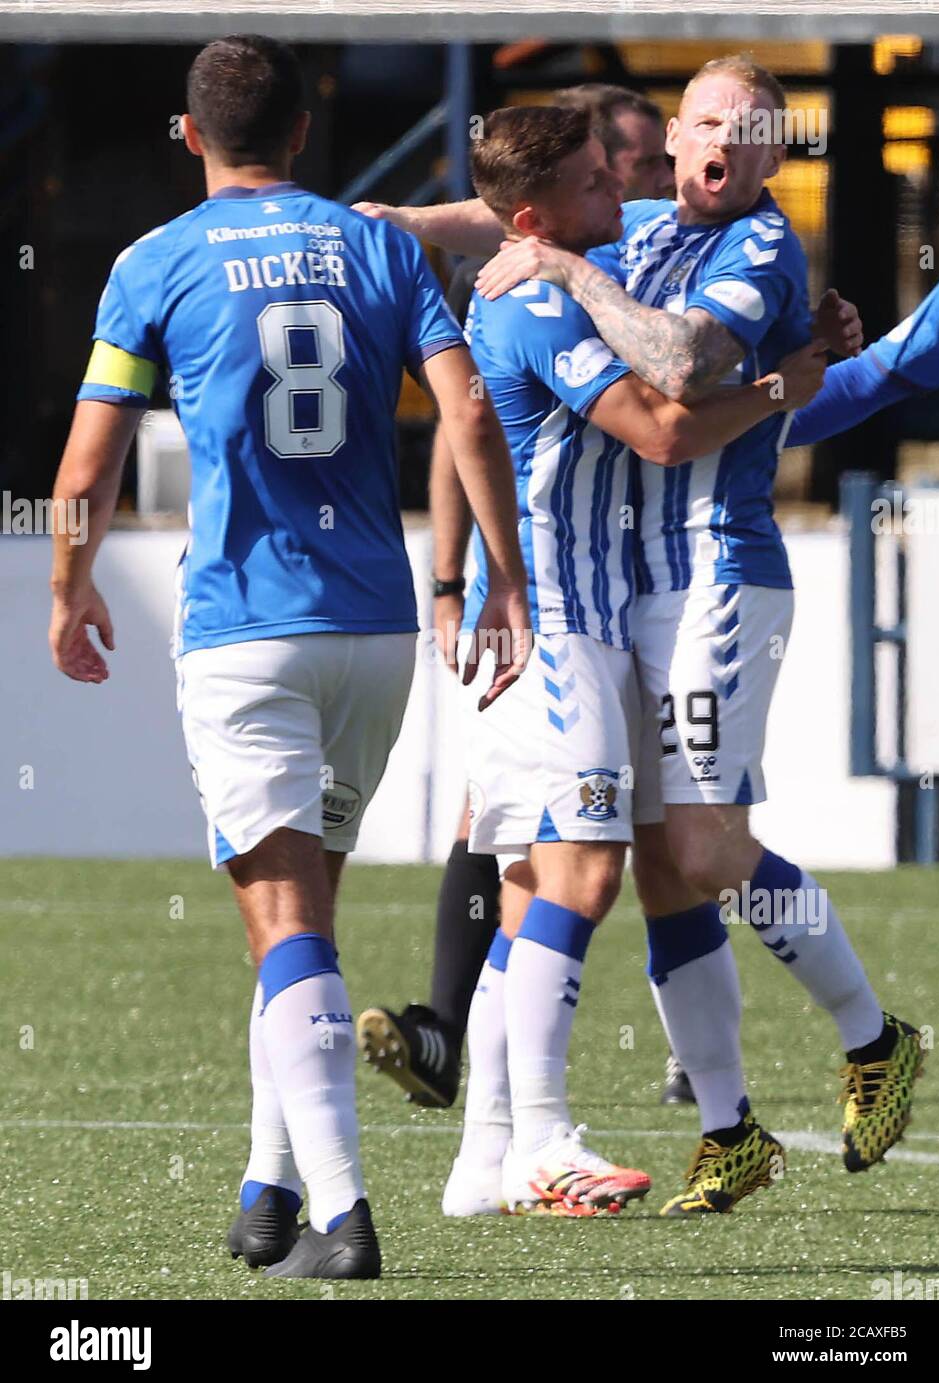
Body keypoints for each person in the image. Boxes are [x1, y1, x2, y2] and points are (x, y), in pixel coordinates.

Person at [360, 54, 924, 1214]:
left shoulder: (759, 248)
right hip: (616, 597)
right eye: (709, 120)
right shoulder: (646, 217)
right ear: (669, 143)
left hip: (714, 571)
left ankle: (874, 1040)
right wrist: (406, 219)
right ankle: (722, 1127)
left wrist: (559, 260)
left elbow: (673, 375)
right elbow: (522, 199)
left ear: (777, 155)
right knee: (651, 872)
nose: (728, 142)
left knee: (700, 853)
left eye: (756, 129)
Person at [47, 34, 530, 1281]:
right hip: (376, 631)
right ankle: (268, 1190)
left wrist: (69, 588)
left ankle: (346, 1213)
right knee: (298, 918)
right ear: (306, 133)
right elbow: (468, 409)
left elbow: (88, 468)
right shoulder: (381, 244)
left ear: (191, 135)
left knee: (284, 921)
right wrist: (504, 578)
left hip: (248, 632)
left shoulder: (153, 261)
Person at [356, 83, 683, 1109]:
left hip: (576, 602)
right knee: (567, 861)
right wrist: (459, 577)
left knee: (559, 862)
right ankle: (526, 1122)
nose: (628, 183)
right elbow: (484, 436)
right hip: (557, 608)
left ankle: (491, 1122)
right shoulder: (530, 289)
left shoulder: (598, 252)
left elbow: (475, 425)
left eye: (627, 164)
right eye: (605, 170)